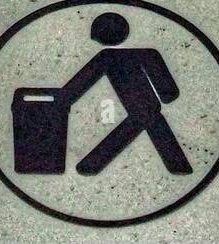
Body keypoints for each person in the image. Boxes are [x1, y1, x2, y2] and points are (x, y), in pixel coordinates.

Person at [56, 12, 192, 175]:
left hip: (143, 104)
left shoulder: (110, 56)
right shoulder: (138, 53)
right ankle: (90, 165)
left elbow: (82, 80)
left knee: (142, 125)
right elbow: (164, 82)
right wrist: (167, 93)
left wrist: (66, 96)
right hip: (145, 104)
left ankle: (90, 165)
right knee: (147, 125)